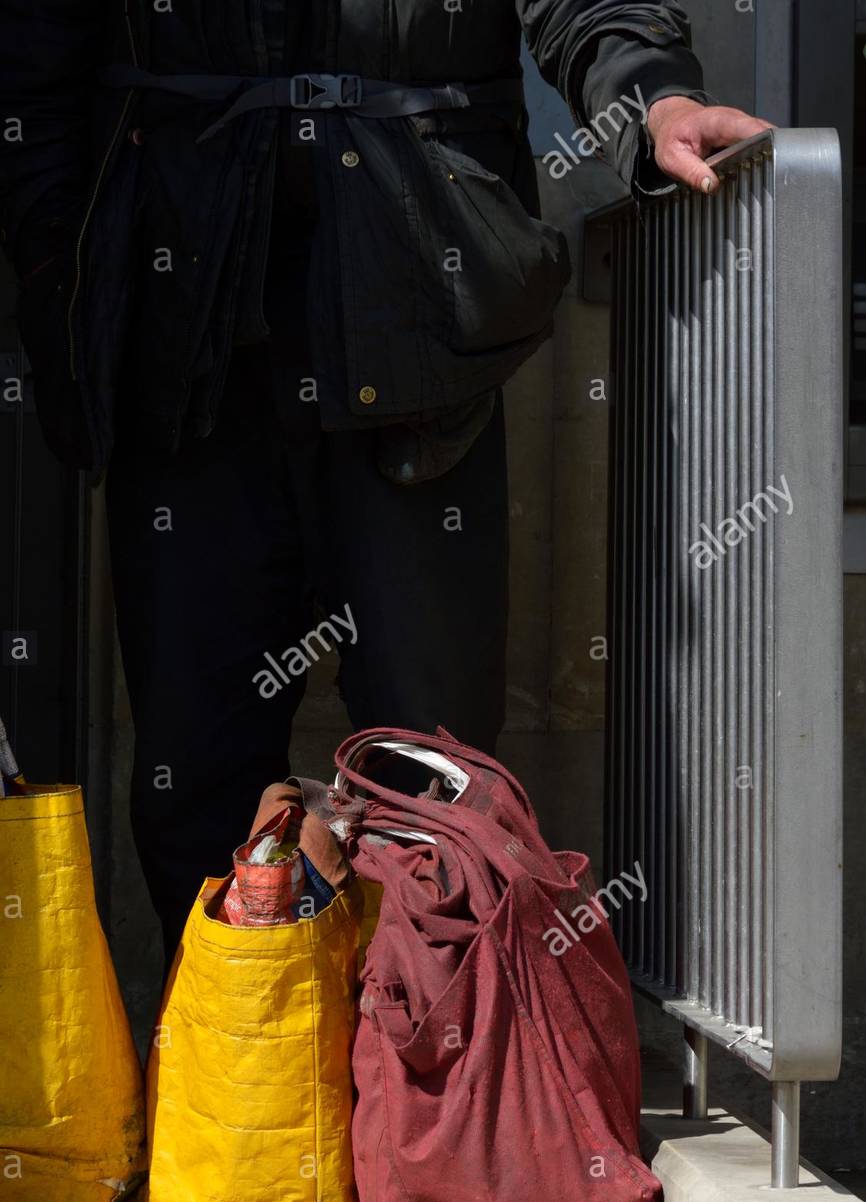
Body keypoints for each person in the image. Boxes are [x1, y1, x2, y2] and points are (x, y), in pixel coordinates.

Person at [0, 2, 769, 962]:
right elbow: (34, 75)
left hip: (419, 333)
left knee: (434, 764)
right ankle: (234, 1079)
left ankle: (428, 1078)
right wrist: (57, 273)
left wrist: (653, 101)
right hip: (187, 339)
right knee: (191, 767)